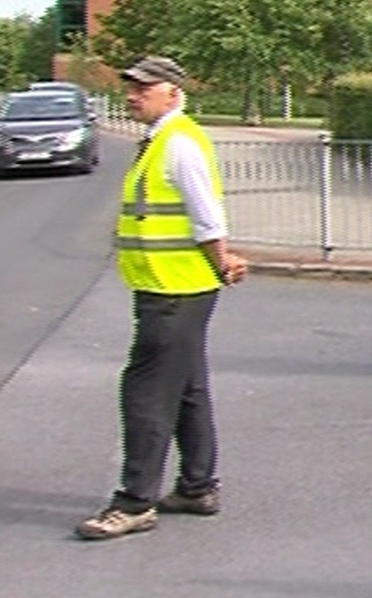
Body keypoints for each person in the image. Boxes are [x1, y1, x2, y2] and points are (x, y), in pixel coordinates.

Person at [77, 55, 250, 540]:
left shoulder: (178, 144)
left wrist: (222, 259)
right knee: (188, 386)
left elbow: (206, 214)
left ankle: (135, 501)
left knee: (147, 391)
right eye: (131, 88)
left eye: (143, 89)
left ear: (173, 93)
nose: (132, 95)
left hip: (175, 289)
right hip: (172, 285)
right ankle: (197, 487)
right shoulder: (163, 140)